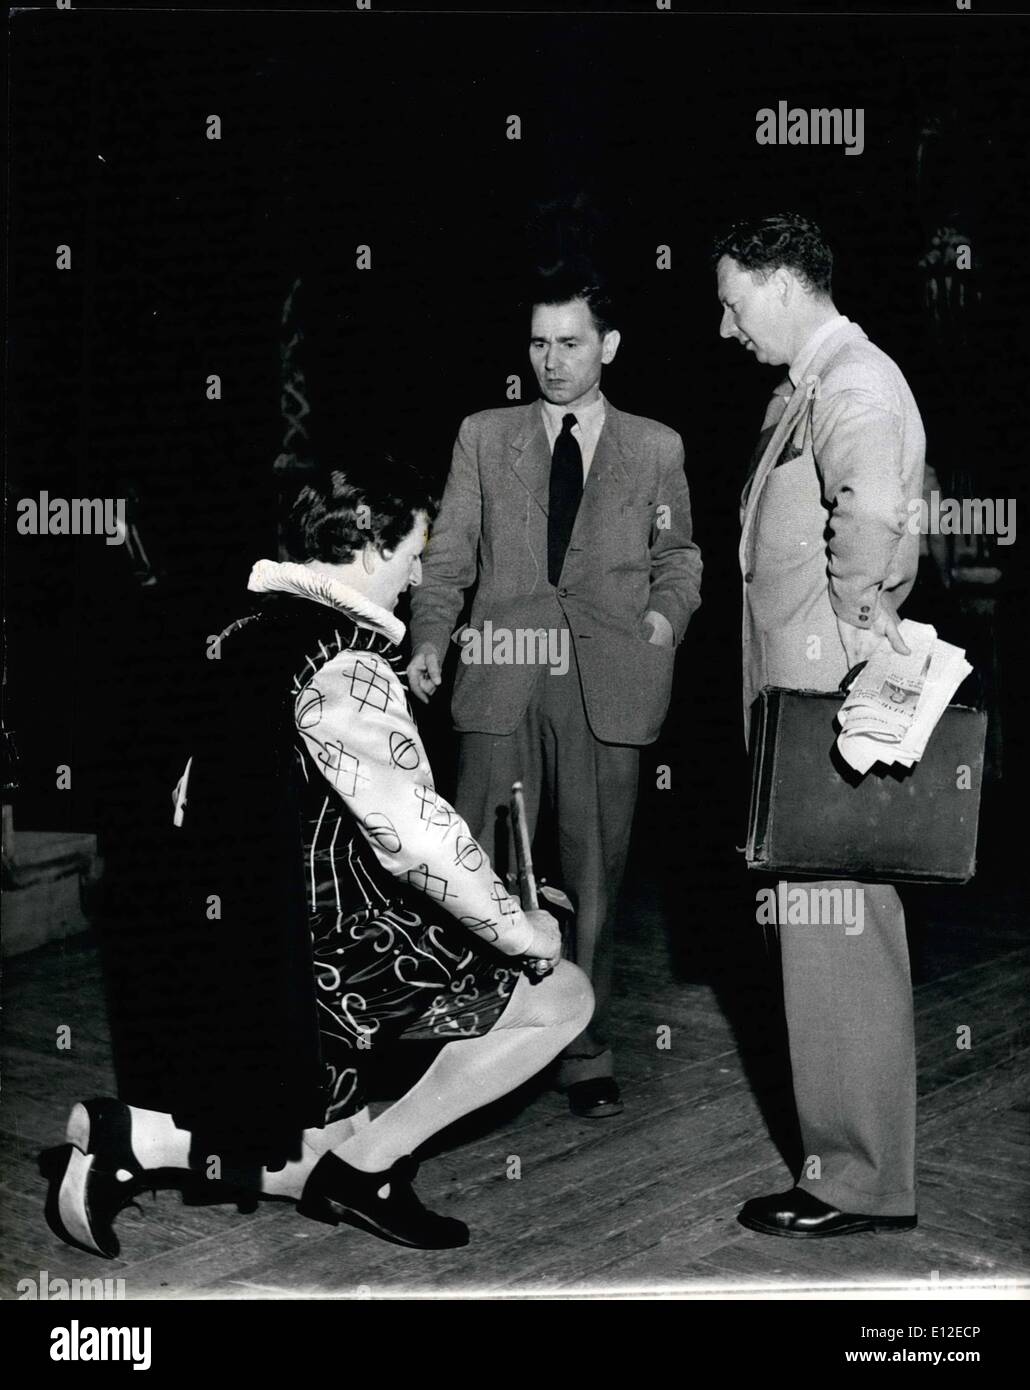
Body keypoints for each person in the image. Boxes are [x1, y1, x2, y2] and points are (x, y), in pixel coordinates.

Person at [44, 463, 592, 1257]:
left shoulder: (245, 630)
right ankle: (371, 1171)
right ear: (370, 543)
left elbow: (183, 798)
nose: (417, 574)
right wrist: (521, 931)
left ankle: (134, 1142)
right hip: (332, 938)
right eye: (413, 551)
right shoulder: (349, 664)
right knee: (565, 997)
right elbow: (418, 836)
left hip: (242, 936)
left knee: (310, 1157)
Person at [406, 269, 702, 1118]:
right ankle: (469, 1048)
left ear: (608, 346)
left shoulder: (656, 447)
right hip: (501, 669)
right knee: (471, 870)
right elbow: (449, 554)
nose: (551, 360)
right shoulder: (482, 435)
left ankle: (584, 1052)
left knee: (594, 877)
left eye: (570, 343)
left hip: (607, 685)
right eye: (538, 342)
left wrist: (662, 620)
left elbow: (679, 558)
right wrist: (430, 635)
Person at [714, 213, 925, 1236]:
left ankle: (854, 1179)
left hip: (825, 711)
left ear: (783, 283)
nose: (724, 325)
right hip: (803, 711)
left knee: (837, 931)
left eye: (732, 300)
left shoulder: (851, 383)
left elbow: (874, 512)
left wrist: (851, 645)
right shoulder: (807, 386)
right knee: (824, 930)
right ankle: (852, 1166)